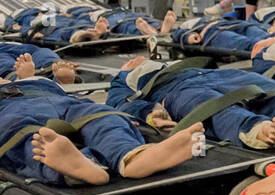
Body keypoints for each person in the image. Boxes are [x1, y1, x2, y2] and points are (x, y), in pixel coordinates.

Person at [0, 68, 203, 185]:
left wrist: (27, 75)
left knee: (102, 116)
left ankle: (132, 157)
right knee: (20, 134)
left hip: (64, 102)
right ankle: (76, 167)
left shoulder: (34, 80)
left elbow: (65, 90)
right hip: (9, 111)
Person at [107, 56, 275, 150]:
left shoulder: (173, 63)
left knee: (271, 92)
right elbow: (119, 104)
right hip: (176, 89)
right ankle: (260, 130)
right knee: (212, 107)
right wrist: (151, 113)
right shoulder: (124, 78)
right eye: (130, 62)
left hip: (221, 76)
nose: (135, 60)